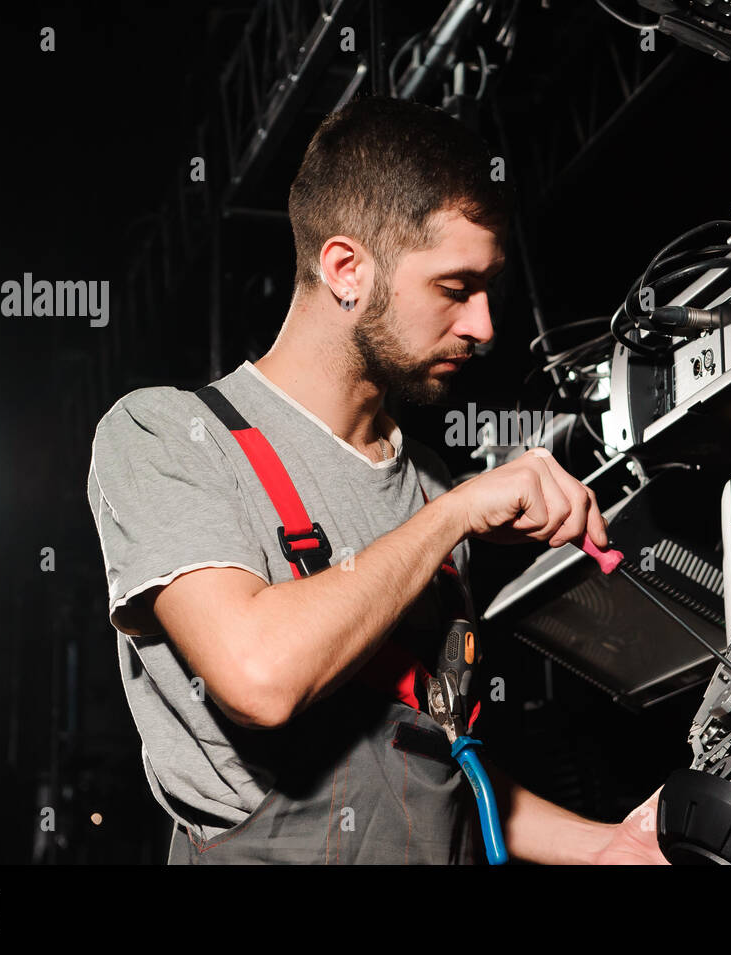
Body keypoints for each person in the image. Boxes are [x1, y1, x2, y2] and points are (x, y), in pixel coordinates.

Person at [86, 95, 666, 864]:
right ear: (346, 270)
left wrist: (609, 848)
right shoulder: (166, 437)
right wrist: (453, 515)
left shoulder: (429, 481)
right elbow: (258, 675)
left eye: (488, 288)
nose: (485, 326)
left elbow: (435, 764)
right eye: (456, 288)